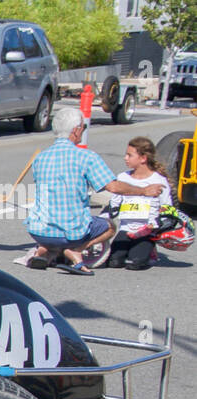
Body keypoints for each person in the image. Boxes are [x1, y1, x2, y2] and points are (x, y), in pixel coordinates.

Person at [17, 110, 165, 275]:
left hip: (38, 231)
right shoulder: (87, 157)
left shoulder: (40, 158)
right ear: (76, 130)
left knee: (54, 217)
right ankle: (77, 251)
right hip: (71, 232)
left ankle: (45, 250)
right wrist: (144, 191)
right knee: (109, 226)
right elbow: (113, 187)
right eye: (83, 127)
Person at [90, 136, 173, 270]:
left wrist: (154, 227)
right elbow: (114, 205)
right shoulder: (123, 178)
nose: (125, 158)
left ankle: (150, 251)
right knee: (114, 262)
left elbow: (167, 209)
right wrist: (102, 222)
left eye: (130, 155)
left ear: (143, 158)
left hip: (146, 231)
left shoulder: (159, 181)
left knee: (135, 263)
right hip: (126, 229)